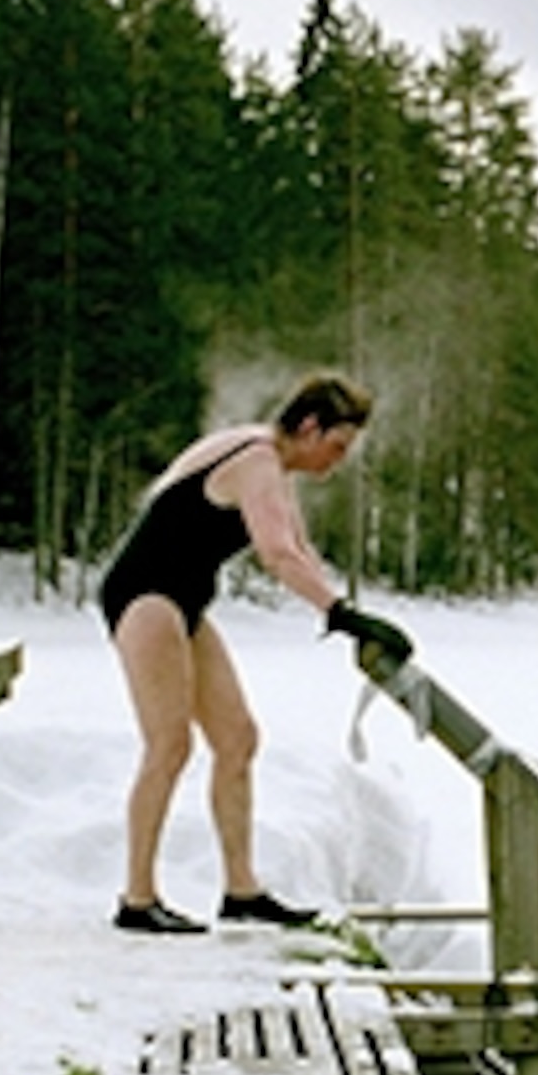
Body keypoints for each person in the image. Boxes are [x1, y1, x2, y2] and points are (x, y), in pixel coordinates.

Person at [98, 372, 409, 934]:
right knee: (168, 745)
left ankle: (242, 890)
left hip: (183, 600)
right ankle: (137, 899)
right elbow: (276, 555)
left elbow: (298, 549)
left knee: (237, 738)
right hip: (146, 594)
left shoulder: (270, 464)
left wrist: (352, 615)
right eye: (337, 447)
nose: (337, 462)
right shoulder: (256, 459)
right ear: (309, 428)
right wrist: (339, 615)